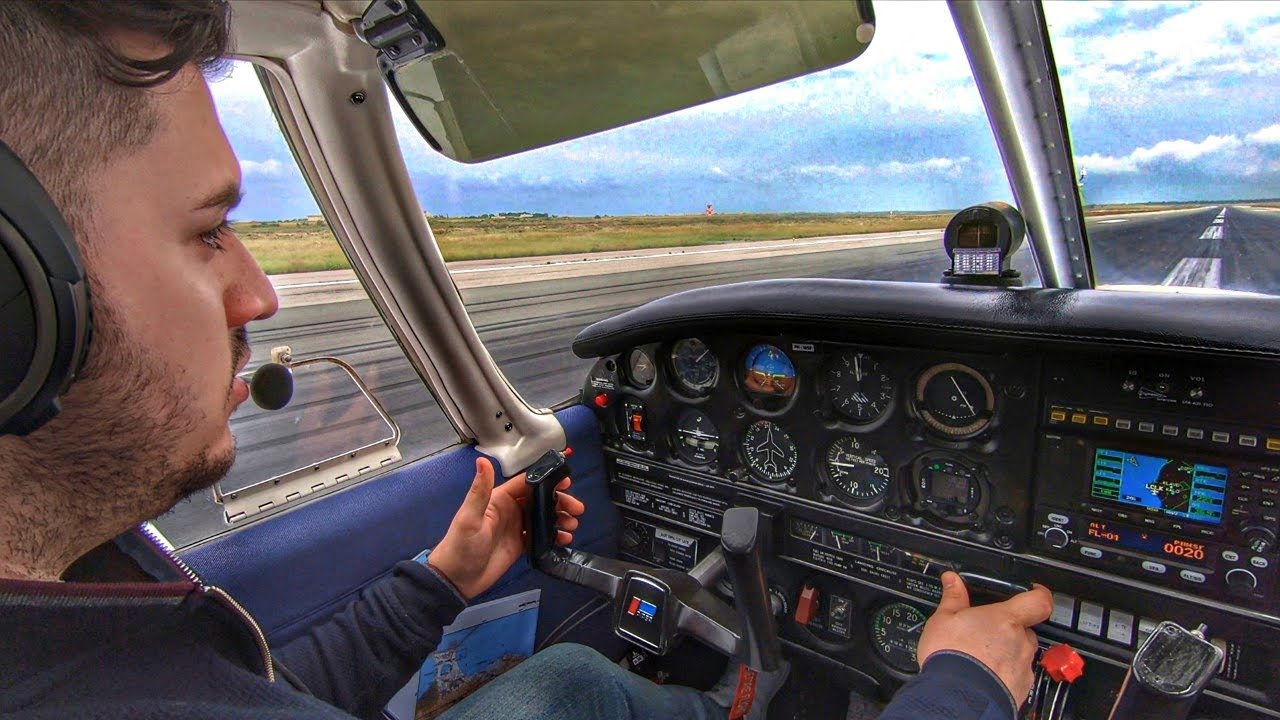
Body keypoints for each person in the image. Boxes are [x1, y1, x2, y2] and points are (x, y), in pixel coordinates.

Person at [0, 2, 1052, 720]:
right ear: (16, 296)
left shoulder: (85, 616)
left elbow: (266, 690)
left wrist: (440, 580)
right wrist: (959, 687)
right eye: (206, 231)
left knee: (565, 682)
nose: (259, 293)